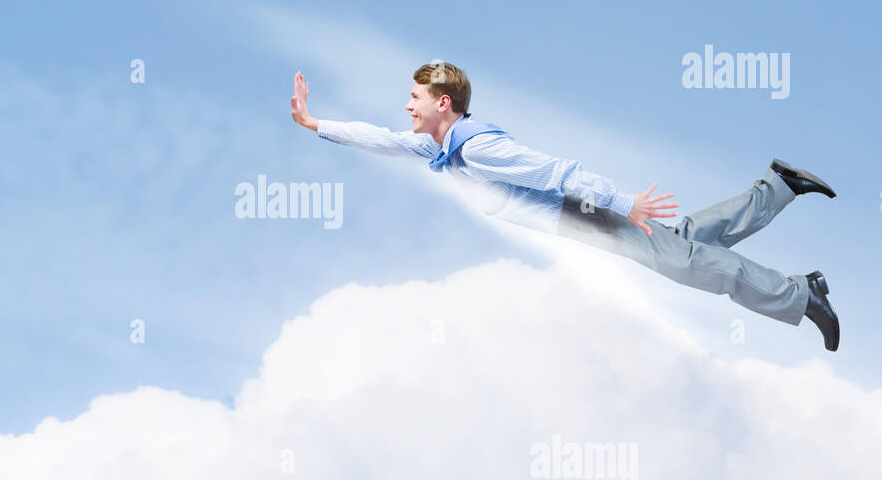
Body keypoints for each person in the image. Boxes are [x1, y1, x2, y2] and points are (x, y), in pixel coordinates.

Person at [290, 62, 840, 350]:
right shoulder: (437, 146)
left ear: (442, 103)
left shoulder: (478, 147)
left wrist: (624, 203)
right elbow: (380, 138)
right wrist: (317, 124)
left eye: (414, 97)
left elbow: (557, 172)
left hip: (581, 212)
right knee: (685, 242)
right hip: (574, 220)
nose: (405, 106)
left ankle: (799, 295)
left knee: (684, 263)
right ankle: (780, 185)